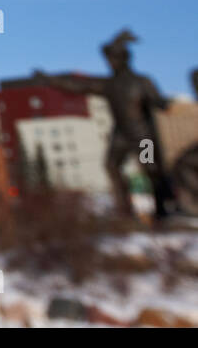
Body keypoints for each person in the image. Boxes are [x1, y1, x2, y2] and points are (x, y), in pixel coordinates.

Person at [34, 30, 175, 220]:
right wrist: (50, 80)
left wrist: (164, 104)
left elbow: (157, 100)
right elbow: (78, 85)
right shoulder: (110, 84)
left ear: (123, 59)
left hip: (142, 136)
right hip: (121, 135)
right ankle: (125, 211)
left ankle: (162, 210)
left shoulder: (141, 82)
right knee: (111, 165)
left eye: (113, 59)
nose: (110, 63)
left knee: (151, 169)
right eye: (108, 59)